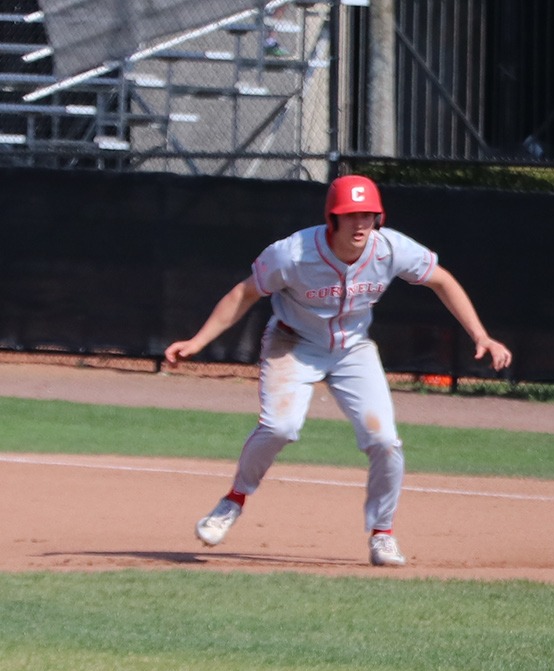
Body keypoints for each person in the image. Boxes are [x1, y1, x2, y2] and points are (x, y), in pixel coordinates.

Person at [164, 175, 512, 567]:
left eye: (368, 214)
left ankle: (383, 533)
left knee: (385, 441)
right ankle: (233, 500)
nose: (360, 223)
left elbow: (442, 280)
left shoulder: (390, 248)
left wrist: (481, 335)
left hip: (352, 350)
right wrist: (197, 341)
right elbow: (243, 293)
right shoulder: (293, 254)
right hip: (293, 343)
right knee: (280, 427)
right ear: (332, 218)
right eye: (350, 215)